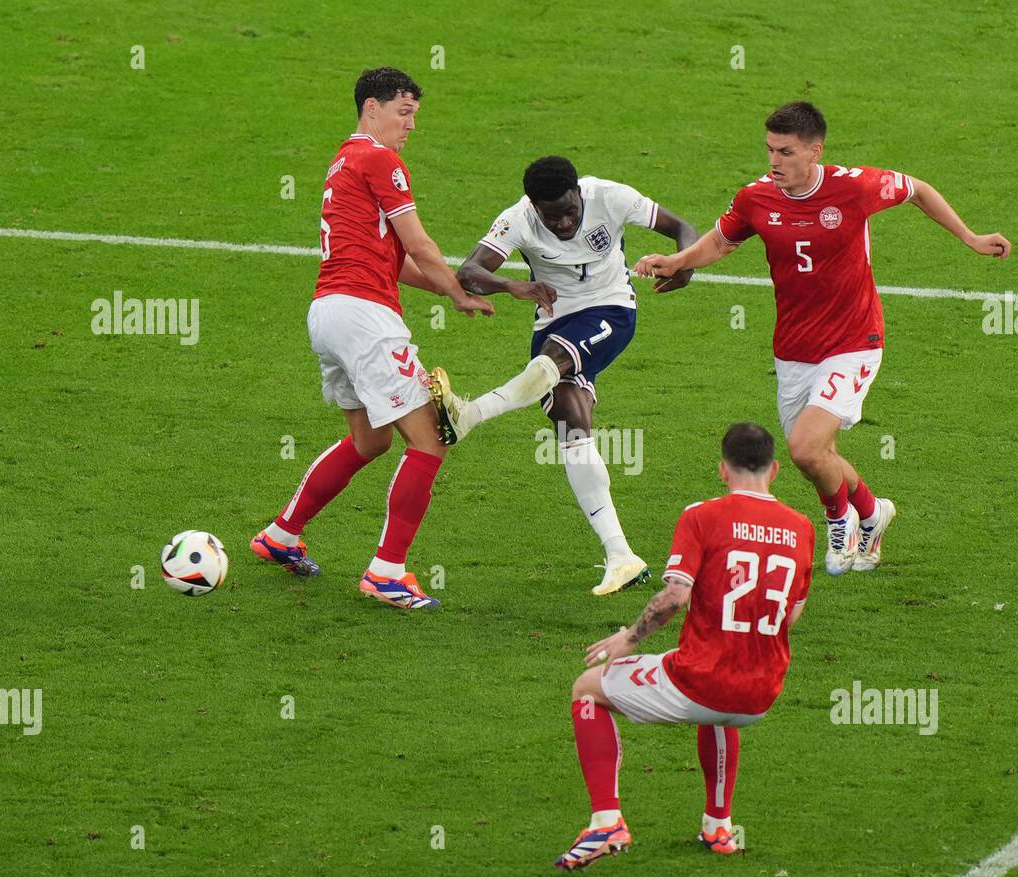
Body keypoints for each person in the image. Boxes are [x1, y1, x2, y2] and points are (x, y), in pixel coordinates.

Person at [635, 101, 1011, 576]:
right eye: (770, 149)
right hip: (794, 348)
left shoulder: (853, 187)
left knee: (806, 449)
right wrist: (679, 260)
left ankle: (841, 523)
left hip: (855, 340)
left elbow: (916, 189)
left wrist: (970, 237)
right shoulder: (756, 198)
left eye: (786, 152)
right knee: (818, 457)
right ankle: (874, 513)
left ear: (815, 151)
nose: (774, 161)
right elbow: (722, 241)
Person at [250, 66, 494, 609]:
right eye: (403, 113)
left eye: (414, 115)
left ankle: (280, 536)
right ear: (371, 109)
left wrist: (446, 289)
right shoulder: (382, 160)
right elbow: (420, 244)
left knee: (370, 440)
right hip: (365, 318)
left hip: (328, 314)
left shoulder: (343, 161)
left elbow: (396, 261)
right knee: (429, 439)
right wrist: (456, 292)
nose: (410, 126)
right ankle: (386, 573)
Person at [428, 155, 698, 595]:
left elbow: (683, 229)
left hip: (612, 307)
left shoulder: (610, 196)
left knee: (548, 365)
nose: (563, 222)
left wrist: (684, 263)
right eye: (551, 217)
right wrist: (513, 286)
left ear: (579, 192)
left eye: (570, 211)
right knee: (572, 424)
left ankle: (469, 415)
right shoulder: (518, 218)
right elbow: (470, 273)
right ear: (534, 206)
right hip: (554, 317)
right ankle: (621, 556)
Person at [556, 422, 815, 870]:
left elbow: (674, 596)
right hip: (760, 695)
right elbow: (791, 615)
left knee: (587, 689)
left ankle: (606, 820)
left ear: (722, 470)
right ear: (774, 470)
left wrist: (627, 638)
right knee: (719, 706)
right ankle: (718, 825)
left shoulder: (702, 515)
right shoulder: (801, 527)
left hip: (698, 681)